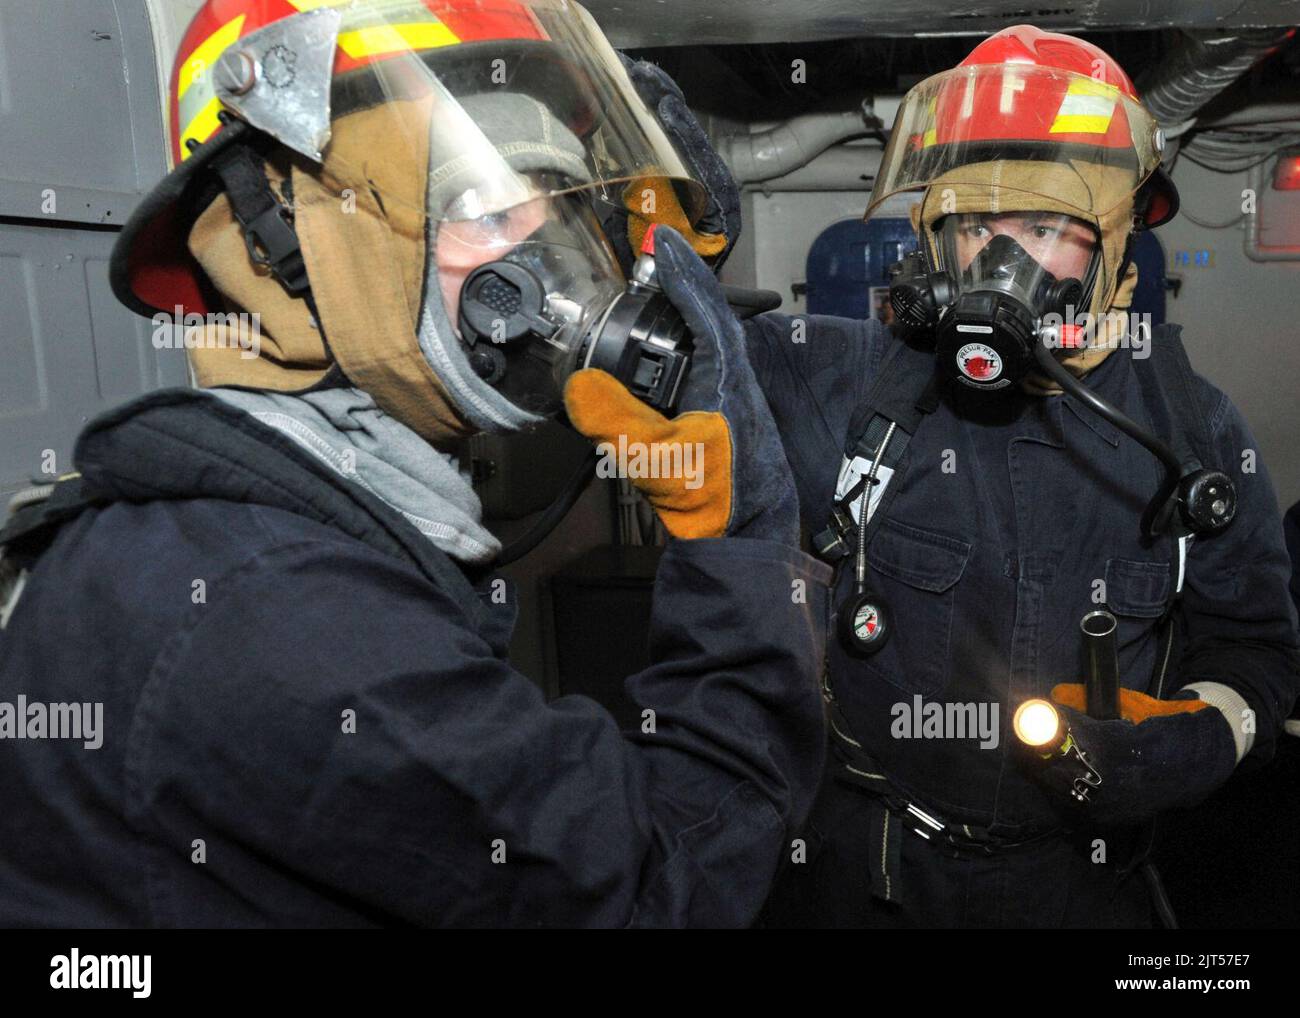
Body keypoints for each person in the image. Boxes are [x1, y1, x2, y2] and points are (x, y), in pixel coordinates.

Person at [0, 0, 829, 927]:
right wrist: (745, 542)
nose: (553, 276)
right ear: (281, 241)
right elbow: (661, 889)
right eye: (484, 209)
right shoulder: (285, 618)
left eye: (557, 212)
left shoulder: (236, 532)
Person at [746, 25, 1300, 927]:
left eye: (1047, 229)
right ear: (939, 237)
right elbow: (683, 359)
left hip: (1078, 883)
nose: (1004, 266)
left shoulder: (1193, 434)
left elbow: (1259, 652)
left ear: (1116, 248)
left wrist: (1199, 737)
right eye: (979, 226)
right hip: (872, 872)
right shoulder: (837, 383)